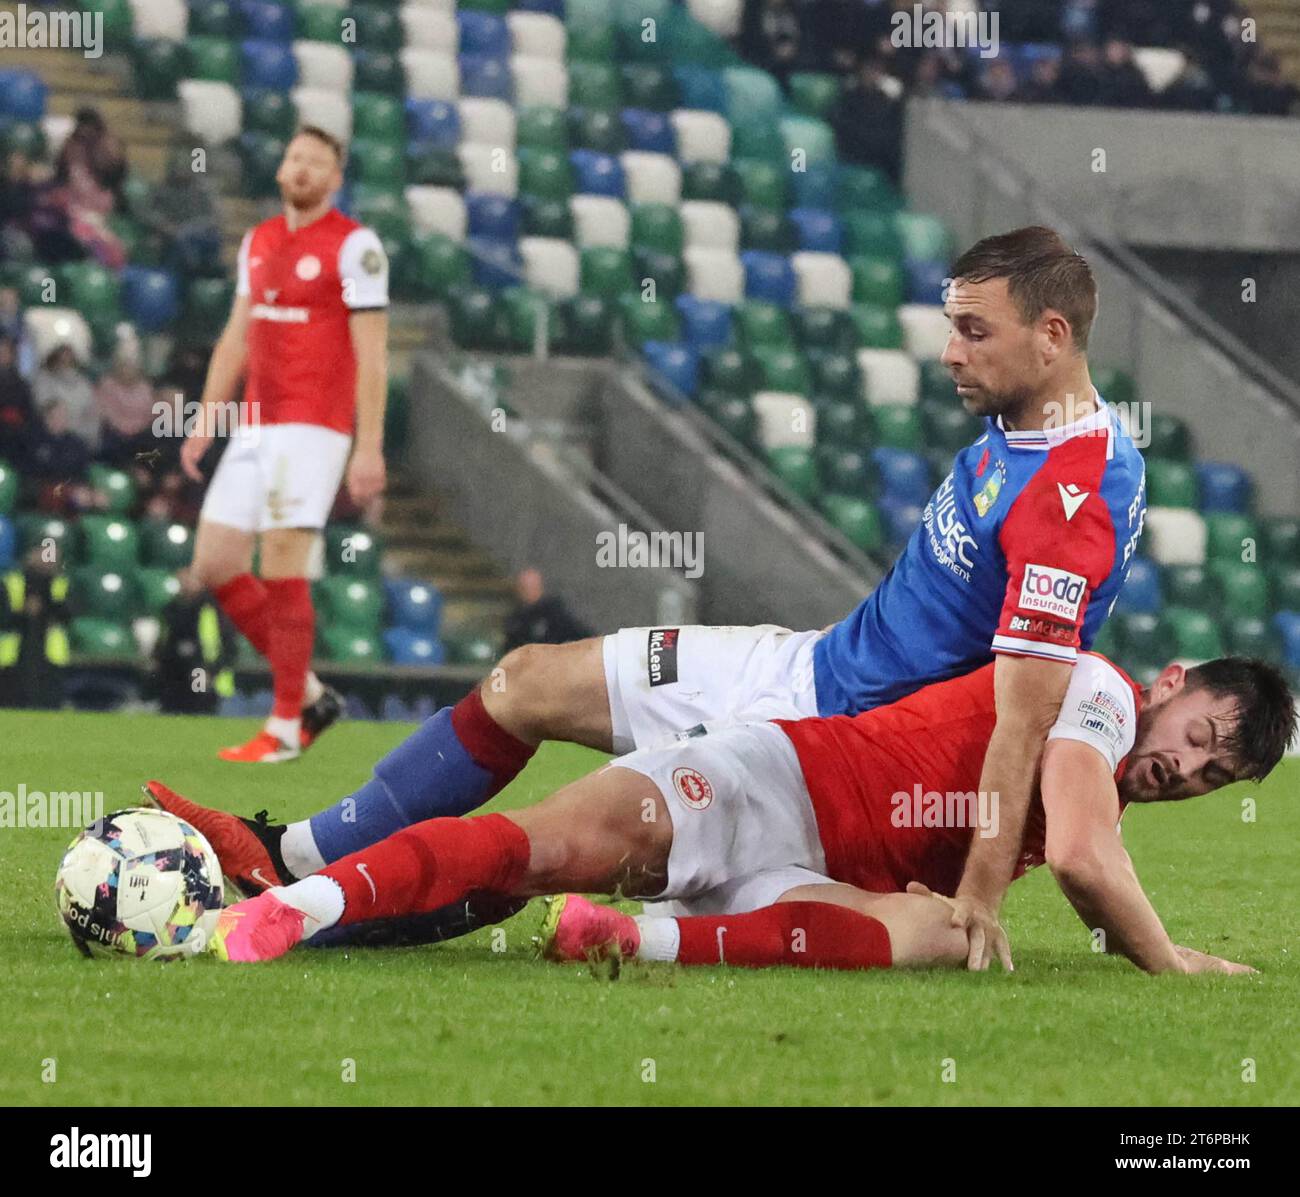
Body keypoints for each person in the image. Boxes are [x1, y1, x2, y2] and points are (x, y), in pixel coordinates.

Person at [150, 226, 1148, 967]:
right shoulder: (1028, 423)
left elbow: (1020, 719)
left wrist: (979, 898)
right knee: (526, 681)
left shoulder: (1072, 495)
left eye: (973, 332)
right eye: (950, 327)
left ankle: (328, 914)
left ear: (1050, 335)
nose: (949, 352)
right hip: (809, 661)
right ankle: (287, 852)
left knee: (575, 847)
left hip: (844, 743)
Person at [170, 651, 1293, 971]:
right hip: (769, 781)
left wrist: (944, 893)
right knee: (540, 846)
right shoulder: (1090, 687)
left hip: (809, 878)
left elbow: (1082, 855)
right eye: (1195, 737)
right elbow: (1093, 867)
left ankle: (636, 940)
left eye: (1206, 777)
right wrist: (1174, 963)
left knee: (954, 935)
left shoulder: (1088, 779)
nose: (1180, 769)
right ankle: (298, 901)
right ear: (1170, 680)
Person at [179, 125, 389, 763]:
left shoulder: (356, 247)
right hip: (255, 424)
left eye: (316, 162)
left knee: (282, 564)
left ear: (335, 179)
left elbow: (374, 353)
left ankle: (285, 724)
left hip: (314, 427)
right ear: (279, 169)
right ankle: (313, 695)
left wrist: (368, 445)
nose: (301, 168)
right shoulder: (260, 240)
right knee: (214, 564)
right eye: (294, 156)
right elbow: (236, 336)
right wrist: (207, 417)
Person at [152, 567, 235, 715]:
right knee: (171, 708)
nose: (186, 582)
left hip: (202, 668)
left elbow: (228, 645)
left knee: (199, 704)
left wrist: (213, 670)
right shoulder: (170, 609)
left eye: (191, 578)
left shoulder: (213, 609)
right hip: (174, 668)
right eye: (183, 578)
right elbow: (164, 640)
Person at [95, 339, 156, 465]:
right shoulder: (107, 385)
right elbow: (107, 413)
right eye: (125, 366)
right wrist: (125, 429)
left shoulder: (145, 387)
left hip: (140, 435)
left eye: (131, 367)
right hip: (115, 434)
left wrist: (138, 428)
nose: (128, 370)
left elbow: (149, 413)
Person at [501, 567, 591, 652]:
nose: (528, 591)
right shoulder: (516, 621)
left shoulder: (555, 614)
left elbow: (580, 634)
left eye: (532, 586)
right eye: (524, 587)